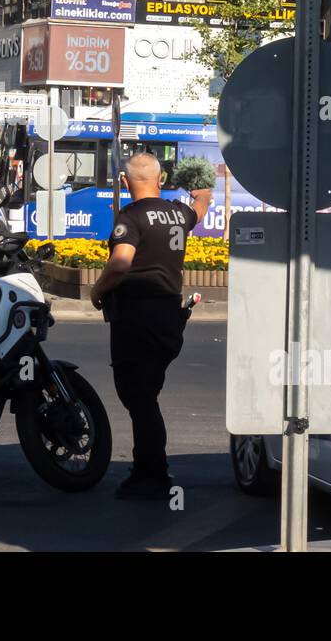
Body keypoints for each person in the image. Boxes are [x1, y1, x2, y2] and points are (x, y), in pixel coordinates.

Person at [88, 153, 211, 500]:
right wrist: (197, 181)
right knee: (147, 395)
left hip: (136, 318)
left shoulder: (130, 217)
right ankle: (149, 467)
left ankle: (152, 474)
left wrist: (97, 293)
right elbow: (202, 202)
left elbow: (120, 264)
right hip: (169, 317)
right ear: (161, 179)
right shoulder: (178, 212)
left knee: (138, 398)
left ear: (125, 184)